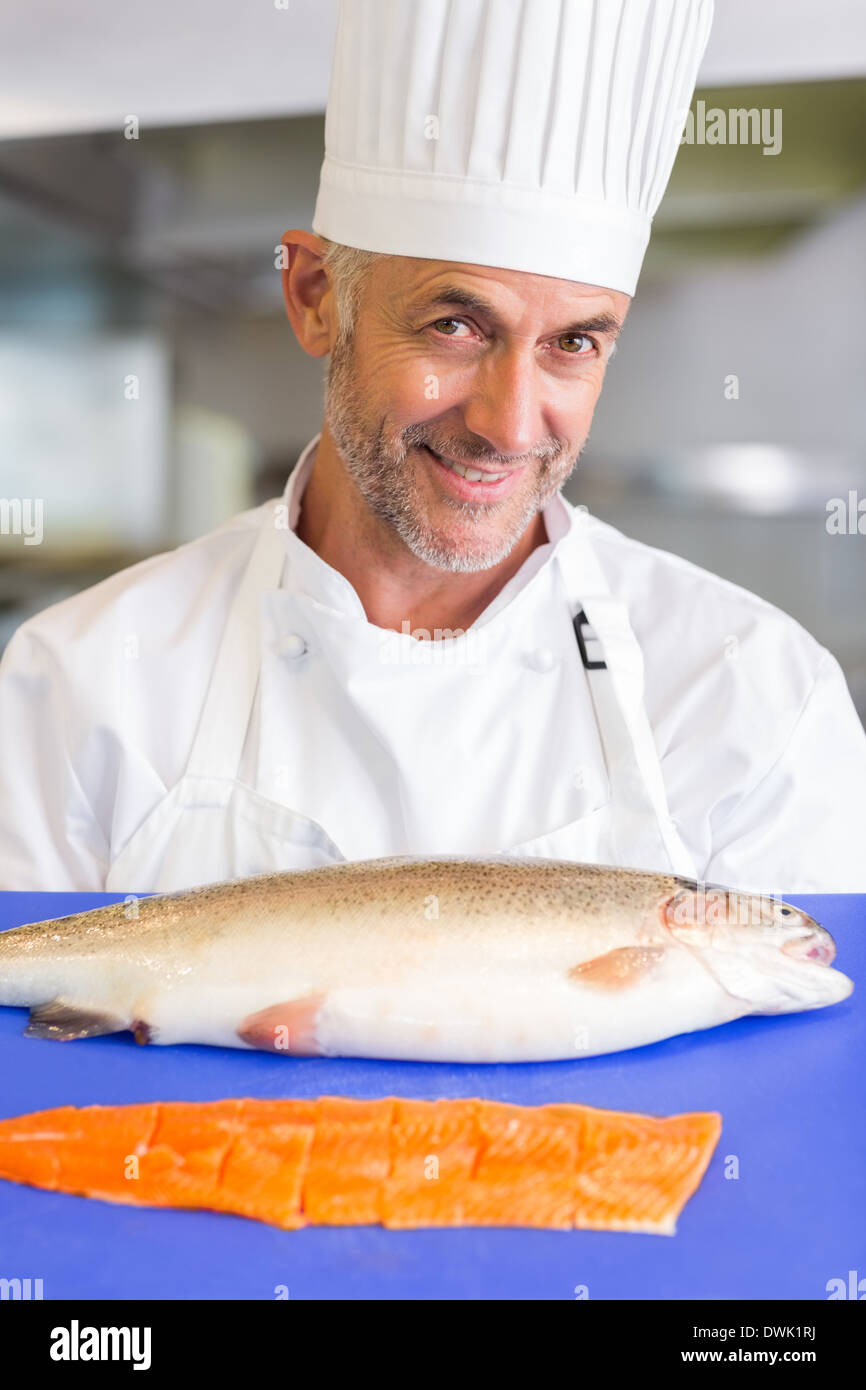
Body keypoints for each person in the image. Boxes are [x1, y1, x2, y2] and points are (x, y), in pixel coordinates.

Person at [1, 0, 864, 894]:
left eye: (573, 344)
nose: (511, 426)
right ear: (313, 296)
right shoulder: (81, 685)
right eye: (456, 325)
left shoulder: (755, 698)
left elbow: (808, 1026)